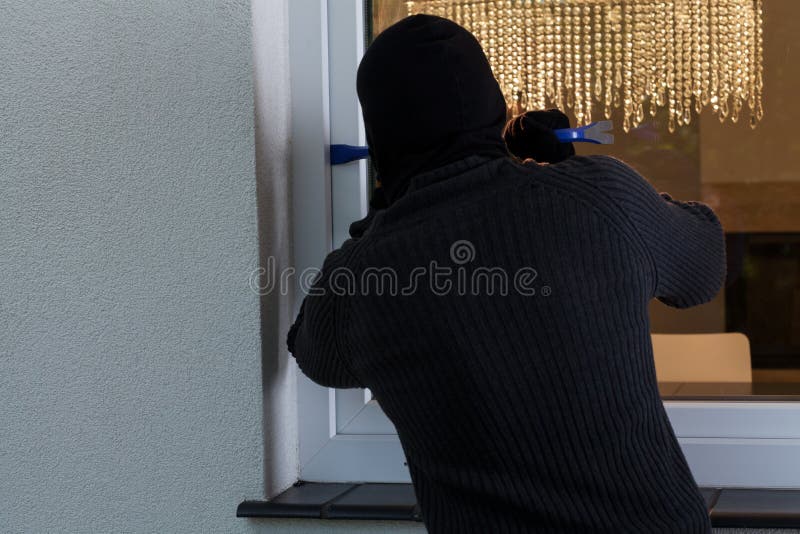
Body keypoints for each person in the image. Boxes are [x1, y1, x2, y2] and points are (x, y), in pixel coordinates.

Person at [287, 14, 724, 534]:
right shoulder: (599, 200)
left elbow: (312, 353)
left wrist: (384, 215)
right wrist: (558, 170)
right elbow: (704, 266)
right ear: (495, 113)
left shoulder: (364, 282)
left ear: (380, 142)